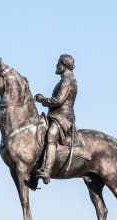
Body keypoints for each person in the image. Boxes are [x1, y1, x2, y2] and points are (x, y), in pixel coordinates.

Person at [34, 53, 78, 185]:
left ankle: (47, 171)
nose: (56, 66)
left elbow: (58, 100)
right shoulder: (64, 79)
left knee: (51, 135)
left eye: (59, 63)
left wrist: (43, 100)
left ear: (65, 65)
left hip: (63, 117)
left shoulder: (68, 80)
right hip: (55, 115)